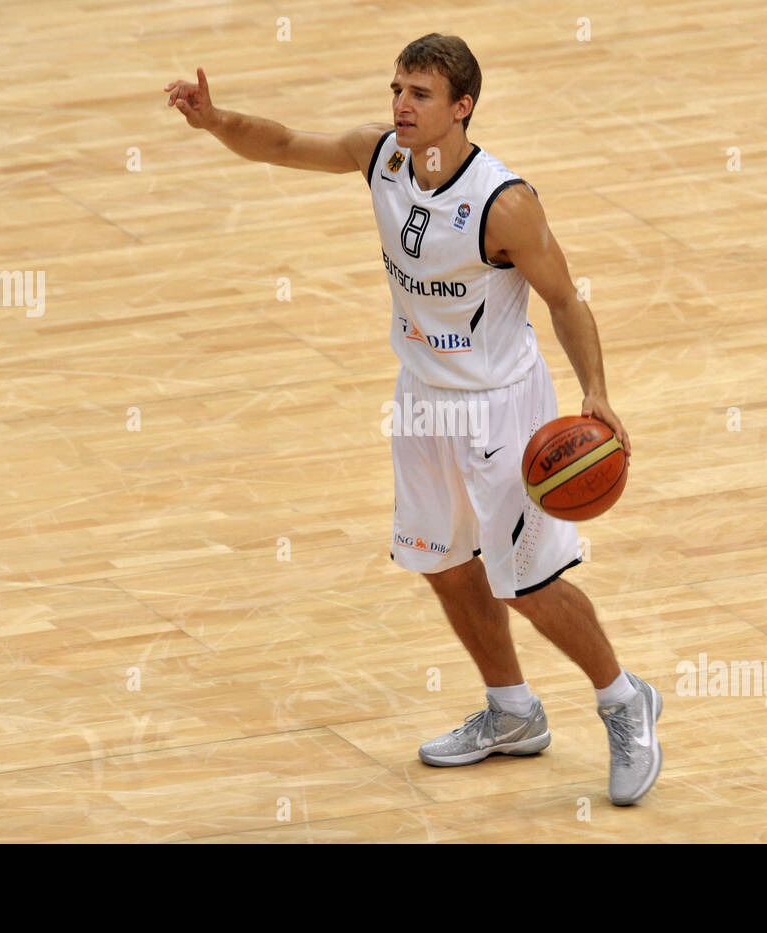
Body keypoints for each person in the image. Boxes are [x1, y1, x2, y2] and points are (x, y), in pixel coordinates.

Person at [165, 33, 661, 805]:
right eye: (398, 88)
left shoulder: (505, 203)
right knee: (442, 561)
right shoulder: (383, 156)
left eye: (420, 94)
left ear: (462, 108)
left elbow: (565, 298)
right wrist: (216, 119)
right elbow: (290, 143)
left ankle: (624, 699)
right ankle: (511, 712)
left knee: (525, 582)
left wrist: (595, 389)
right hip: (422, 395)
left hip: (499, 405)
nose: (401, 104)